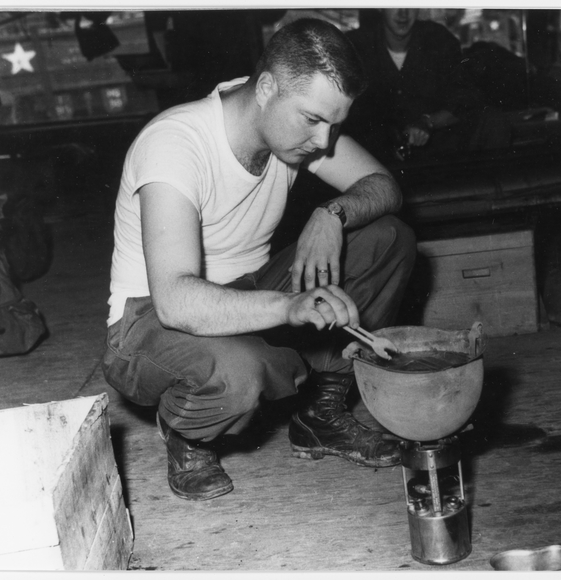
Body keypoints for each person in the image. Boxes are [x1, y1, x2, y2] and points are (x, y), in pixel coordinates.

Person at [101, 18, 417, 501]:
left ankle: (321, 416)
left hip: (247, 291)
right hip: (150, 321)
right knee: (241, 372)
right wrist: (289, 308)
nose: (325, 142)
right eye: (313, 119)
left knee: (387, 236)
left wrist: (333, 213)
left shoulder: (294, 133)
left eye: (336, 125)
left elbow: (382, 185)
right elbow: (177, 301)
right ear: (267, 87)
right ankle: (189, 434)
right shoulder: (175, 142)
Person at [344, 8, 485, 163]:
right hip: (371, 162)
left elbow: (466, 100)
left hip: (435, 163)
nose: (403, 13)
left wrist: (428, 121)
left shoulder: (440, 40)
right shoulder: (355, 45)